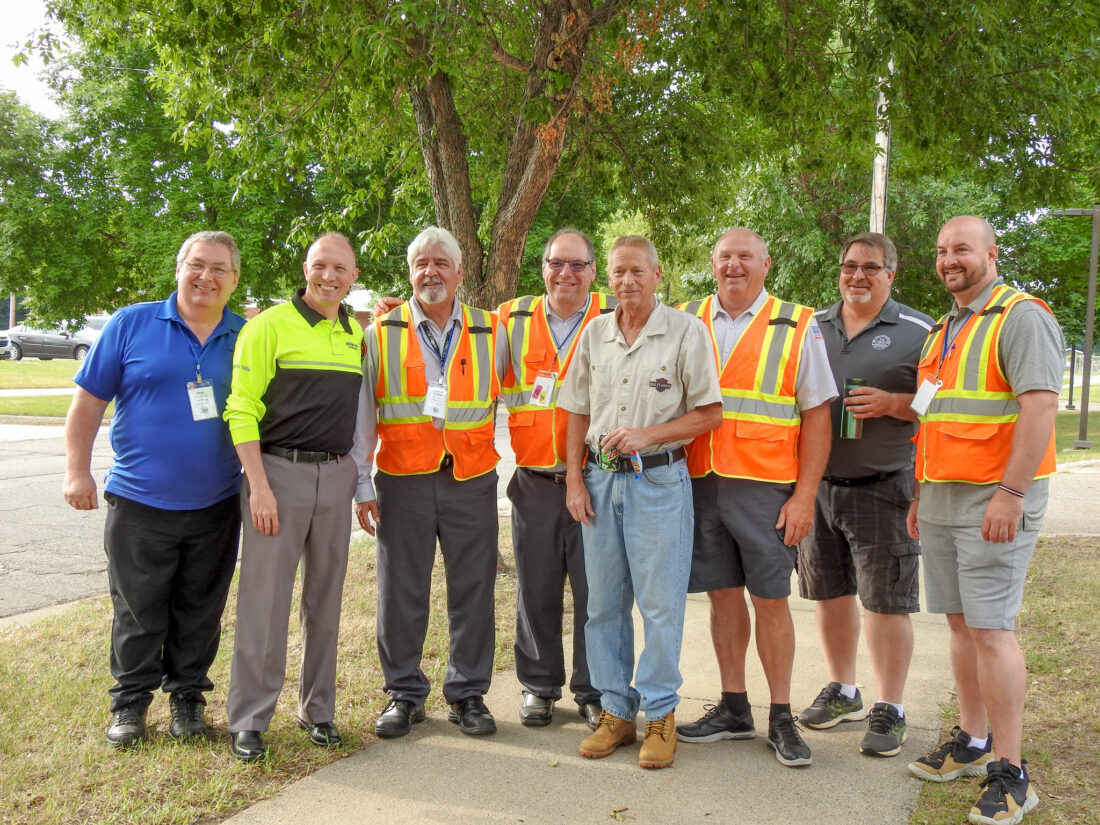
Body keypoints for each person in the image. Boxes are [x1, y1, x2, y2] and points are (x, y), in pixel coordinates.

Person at [906, 216, 1060, 825]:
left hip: (994, 497)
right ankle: (971, 743)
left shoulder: (1020, 317)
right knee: (961, 624)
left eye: (962, 249)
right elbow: (932, 416)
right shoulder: (944, 328)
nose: (950, 260)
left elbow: (1041, 408)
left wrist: (1010, 493)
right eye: (942, 250)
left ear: (991, 254)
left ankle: (1012, 772)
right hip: (942, 495)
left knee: (992, 628)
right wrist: (920, 493)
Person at [63, 230, 245, 748]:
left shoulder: (245, 334)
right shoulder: (131, 323)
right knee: (138, 609)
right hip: (139, 500)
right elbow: (88, 405)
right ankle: (130, 705)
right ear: (179, 267)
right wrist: (77, 471)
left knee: (200, 608)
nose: (206, 277)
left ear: (234, 280)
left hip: (216, 502)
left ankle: (188, 698)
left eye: (219, 270)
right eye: (197, 264)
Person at [559, 235, 721, 770]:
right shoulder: (595, 335)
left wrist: (649, 436)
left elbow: (709, 414)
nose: (626, 281)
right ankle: (615, 712)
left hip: (658, 484)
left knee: (658, 605)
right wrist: (574, 482)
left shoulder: (684, 332)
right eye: (618, 272)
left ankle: (659, 714)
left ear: (657, 275)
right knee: (603, 605)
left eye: (637, 272)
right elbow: (576, 412)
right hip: (600, 484)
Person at [675, 228, 835, 767]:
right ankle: (734, 707)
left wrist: (805, 496)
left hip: (767, 489)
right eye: (725, 257)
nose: (734, 266)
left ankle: (782, 716)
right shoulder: (683, 316)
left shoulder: (797, 324)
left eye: (745, 257)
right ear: (712, 263)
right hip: (699, 483)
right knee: (721, 596)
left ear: (766, 264)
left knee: (770, 600)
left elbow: (817, 415)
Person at [353, 226, 507, 740]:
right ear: (410, 272)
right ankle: (404, 693)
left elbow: (522, 393)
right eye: (421, 263)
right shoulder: (379, 333)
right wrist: (362, 485)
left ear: (460, 272)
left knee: (473, 589)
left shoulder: (492, 330)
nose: (431, 271)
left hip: (471, 479)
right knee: (401, 591)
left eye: (441, 262)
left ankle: (468, 694)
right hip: (403, 481)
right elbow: (362, 417)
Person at [223, 232, 363, 762]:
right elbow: (241, 407)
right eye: (321, 266)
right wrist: (258, 485)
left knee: (325, 598)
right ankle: (250, 718)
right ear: (306, 268)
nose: (329, 277)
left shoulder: (355, 333)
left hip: (336, 476)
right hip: (277, 476)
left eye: (340, 269)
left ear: (354, 277)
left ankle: (317, 710)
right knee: (265, 601)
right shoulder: (268, 327)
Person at [795, 232, 932, 757]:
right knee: (828, 595)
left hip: (885, 485)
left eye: (870, 268)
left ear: (890, 274)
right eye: (849, 266)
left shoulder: (921, 330)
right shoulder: (812, 328)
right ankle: (844, 689)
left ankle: (891, 706)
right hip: (819, 486)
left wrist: (895, 403)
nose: (857, 276)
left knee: (885, 602)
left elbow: (941, 404)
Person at [498, 228, 612, 729]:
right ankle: (539, 687)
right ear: (542, 267)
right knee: (536, 588)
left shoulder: (614, 317)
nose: (566, 274)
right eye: (556, 264)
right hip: (534, 480)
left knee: (597, 592)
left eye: (577, 265)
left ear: (592, 271)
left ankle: (593, 690)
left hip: (596, 480)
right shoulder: (509, 318)